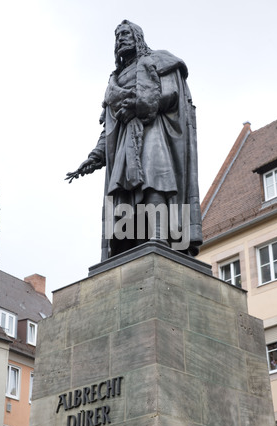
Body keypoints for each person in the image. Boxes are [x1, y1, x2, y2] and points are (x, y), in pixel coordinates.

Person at [66, 20, 202, 261]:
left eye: (126, 34)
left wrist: (141, 105)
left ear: (138, 37)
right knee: (124, 196)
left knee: (155, 177)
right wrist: (94, 157)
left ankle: (158, 236)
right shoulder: (114, 82)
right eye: (117, 36)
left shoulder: (159, 61)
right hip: (124, 144)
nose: (121, 39)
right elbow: (109, 127)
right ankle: (133, 244)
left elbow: (171, 94)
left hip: (154, 130)